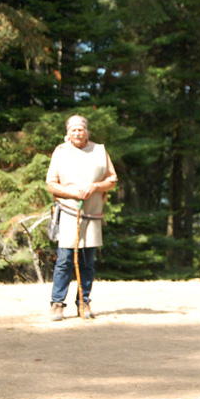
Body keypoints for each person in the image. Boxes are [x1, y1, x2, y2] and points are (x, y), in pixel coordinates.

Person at [46, 114, 117, 321]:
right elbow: (51, 183)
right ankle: (57, 303)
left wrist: (96, 186)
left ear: (87, 131)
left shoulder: (99, 150)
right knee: (64, 260)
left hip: (92, 214)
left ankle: (84, 302)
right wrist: (73, 194)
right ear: (68, 133)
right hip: (68, 212)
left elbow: (112, 179)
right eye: (73, 130)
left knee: (88, 262)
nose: (78, 133)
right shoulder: (60, 152)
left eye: (81, 129)